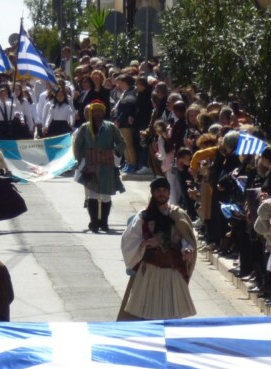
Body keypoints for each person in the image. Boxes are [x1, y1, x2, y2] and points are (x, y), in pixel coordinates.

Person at [118, 177, 197, 320]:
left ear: (168, 193)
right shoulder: (143, 216)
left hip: (173, 270)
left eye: (165, 191)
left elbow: (186, 238)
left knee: (173, 314)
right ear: (153, 193)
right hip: (150, 270)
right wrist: (145, 243)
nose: (162, 194)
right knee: (147, 314)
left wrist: (187, 249)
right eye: (158, 191)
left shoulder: (178, 215)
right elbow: (128, 240)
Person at [72, 100, 126, 233]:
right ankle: (94, 222)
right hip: (91, 164)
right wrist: (79, 158)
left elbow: (122, 142)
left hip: (107, 165)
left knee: (106, 195)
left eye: (99, 111)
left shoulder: (111, 127)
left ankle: (104, 223)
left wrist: (114, 152)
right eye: (94, 111)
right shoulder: (85, 127)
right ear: (91, 112)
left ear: (103, 112)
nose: (97, 113)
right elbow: (77, 144)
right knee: (93, 194)